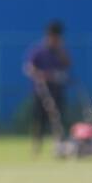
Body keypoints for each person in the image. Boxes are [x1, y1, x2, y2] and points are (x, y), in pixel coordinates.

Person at [23, 20, 71, 154]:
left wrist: (60, 52)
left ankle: (59, 146)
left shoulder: (60, 50)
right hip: (41, 91)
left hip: (57, 90)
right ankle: (36, 148)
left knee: (57, 118)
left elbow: (67, 64)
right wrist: (41, 75)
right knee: (38, 120)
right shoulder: (39, 50)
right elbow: (28, 67)